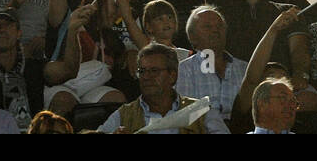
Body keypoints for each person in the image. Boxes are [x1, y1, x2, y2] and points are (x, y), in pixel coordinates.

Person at [96, 43, 228, 134]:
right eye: (142, 71)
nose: (146, 77)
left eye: (154, 71)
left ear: (172, 76)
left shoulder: (199, 111)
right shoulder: (124, 115)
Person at [176, 6, 248, 124]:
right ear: (192, 37)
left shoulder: (244, 69)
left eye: (219, 26)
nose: (215, 30)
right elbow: (185, 116)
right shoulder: (184, 70)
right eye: (207, 26)